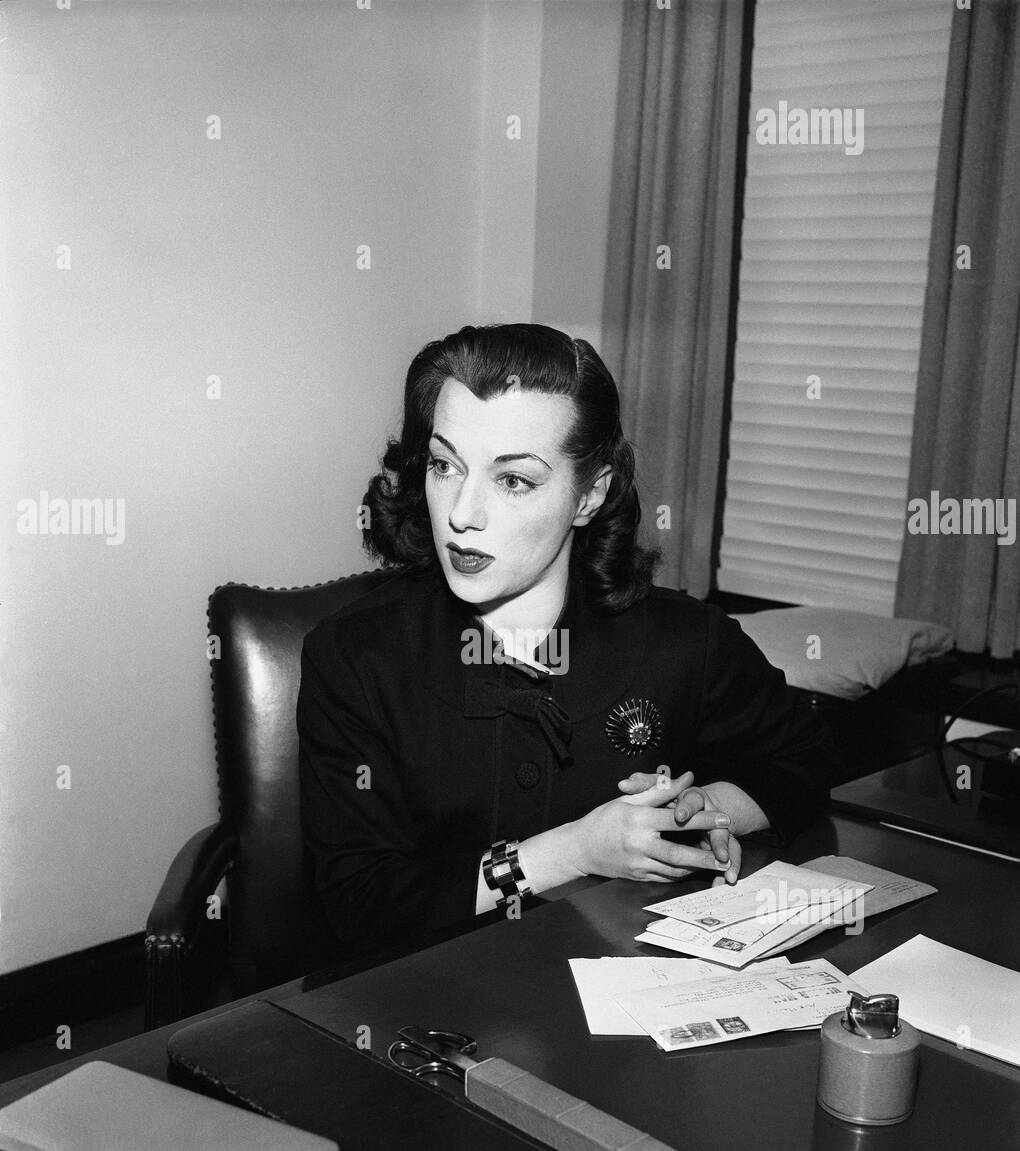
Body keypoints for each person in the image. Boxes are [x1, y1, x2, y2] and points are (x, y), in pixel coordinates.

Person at [297, 323, 834, 969]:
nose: (462, 513)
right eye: (445, 465)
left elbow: (803, 757)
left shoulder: (683, 641)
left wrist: (698, 812)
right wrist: (574, 851)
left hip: (612, 1002)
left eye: (513, 480)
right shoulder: (357, 656)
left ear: (590, 494)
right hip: (411, 1001)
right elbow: (362, 907)